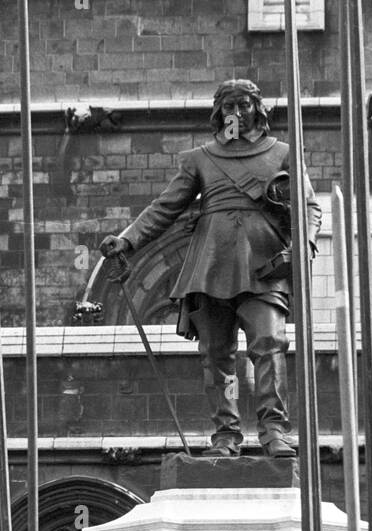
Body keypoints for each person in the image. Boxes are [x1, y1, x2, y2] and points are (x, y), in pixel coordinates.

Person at [99, 78, 321, 460]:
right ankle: (226, 433)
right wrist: (128, 239)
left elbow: (310, 207)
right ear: (219, 113)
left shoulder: (283, 154)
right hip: (211, 264)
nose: (237, 113)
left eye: (244, 105)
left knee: (269, 344)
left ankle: (273, 429)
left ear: (257, 111)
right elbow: (164, 208)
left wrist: (306, 243)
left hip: (263, 264)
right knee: (217, 355)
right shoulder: (199, 158)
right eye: (229, 107)